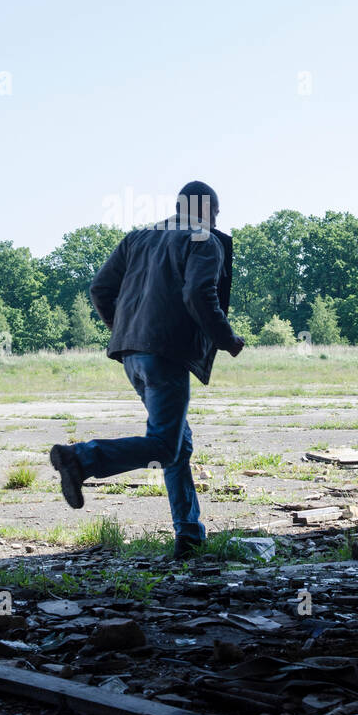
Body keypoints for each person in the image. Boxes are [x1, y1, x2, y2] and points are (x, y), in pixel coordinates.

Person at [50, 181, 245, 560]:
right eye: (217, 213)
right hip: (165, 354)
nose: (218, 220)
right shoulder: (205, 240)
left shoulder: (138, 239)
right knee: (164, 445)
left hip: (131, 356)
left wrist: (126, 330)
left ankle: (189, 535)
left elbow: (99, 290)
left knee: (178, 445)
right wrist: (226, 338)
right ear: (206, 211)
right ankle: (81, 459)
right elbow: (198, 294)